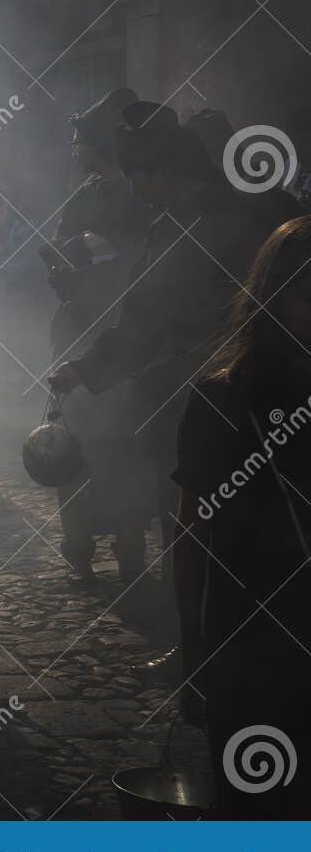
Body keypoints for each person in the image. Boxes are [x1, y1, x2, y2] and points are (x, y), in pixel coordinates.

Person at [48, 102, 289, 683]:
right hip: (183, 408)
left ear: (165, 173)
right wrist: (87, 367)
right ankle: (198, 650)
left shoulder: (250, 222)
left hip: (243, 403)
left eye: (140, 175)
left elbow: (155, 325)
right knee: (186, 530)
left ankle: (247, 657)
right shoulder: (174, 223)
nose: (133, 187)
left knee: (244, 537)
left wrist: (88, 366)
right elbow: (140, 322)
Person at [171, 216, 311, 817]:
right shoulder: (219, 402)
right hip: (249, 641)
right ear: (274, 300)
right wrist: (192, 648)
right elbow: (191, 535)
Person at [43, 88, 152, 581]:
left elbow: (152, 258)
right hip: (77, 331)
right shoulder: (84, 195)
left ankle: (130, 540)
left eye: (79, 139)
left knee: (123, 444)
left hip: (124, 331)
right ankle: (79, 540)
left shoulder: (139, 193)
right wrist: (77, 255)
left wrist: (113, 255)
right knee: (78, 443)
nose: (72, 148)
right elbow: (57, 254)